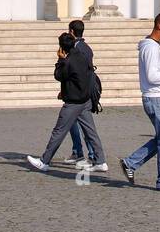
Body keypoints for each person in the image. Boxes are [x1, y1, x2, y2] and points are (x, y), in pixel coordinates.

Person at [119, 11, 160, 192]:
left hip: (158, 97)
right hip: (155, 97)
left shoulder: (156, 46)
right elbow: (152, 76)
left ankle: (130, 163)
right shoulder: (150, 47)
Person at [27, 32, 107, 173]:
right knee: (91, 132)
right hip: (86, 100)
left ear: (62, 48)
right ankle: (100, 161)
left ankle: (44, 161)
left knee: (59, 131)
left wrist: (60, 60)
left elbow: (58, 75)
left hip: (73, 103)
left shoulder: (68, 61)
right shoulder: (82, 56)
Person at [62, 19, 98, 166]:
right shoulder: (85, 48)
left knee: (85, 125)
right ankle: (78, 151)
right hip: (78, 91)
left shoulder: (77, 49)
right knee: (73, 122)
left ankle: (91, 155)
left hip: (80, 93)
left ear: (71, 31)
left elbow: (75, 72)